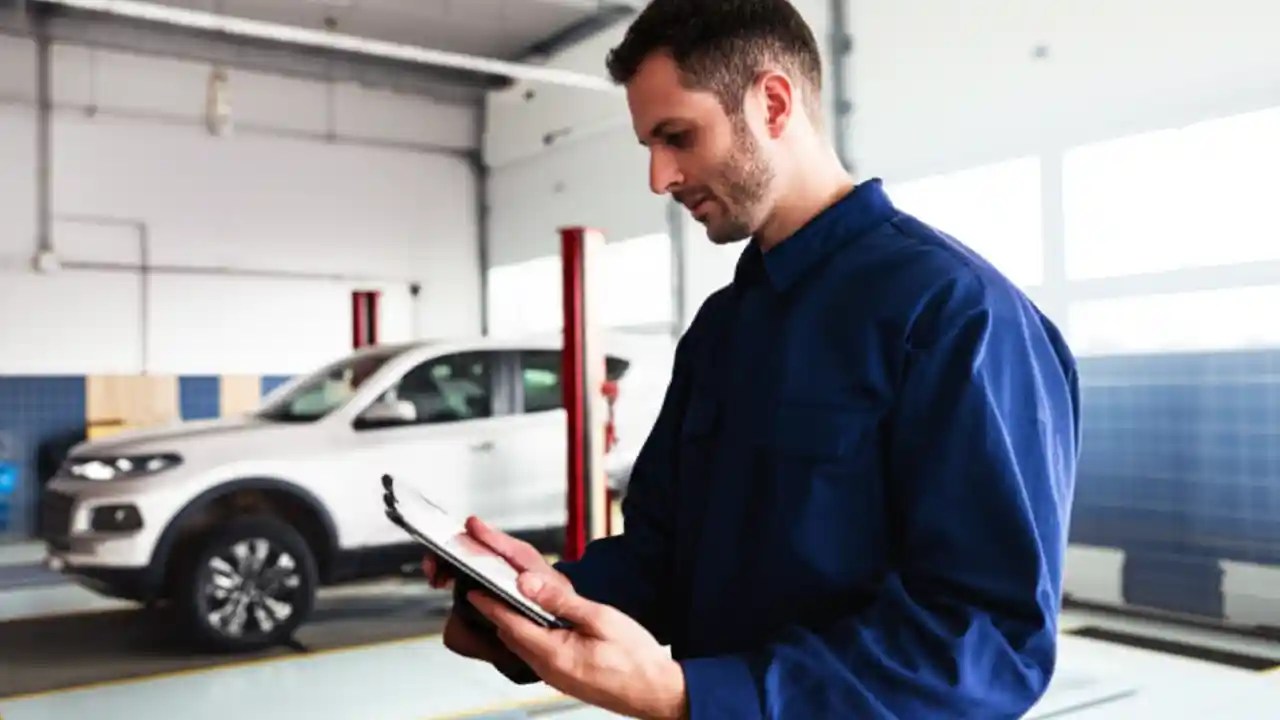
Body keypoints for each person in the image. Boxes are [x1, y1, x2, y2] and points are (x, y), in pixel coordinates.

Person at [424, 0, 1081, 717]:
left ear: (772, 102)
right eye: (649, 144)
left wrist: (697, 696)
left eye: (677, 137)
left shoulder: (956, 314)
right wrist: (540, 600)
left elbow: (986, 642)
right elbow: (669, 559)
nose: (659, 177)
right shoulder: (723, 328)